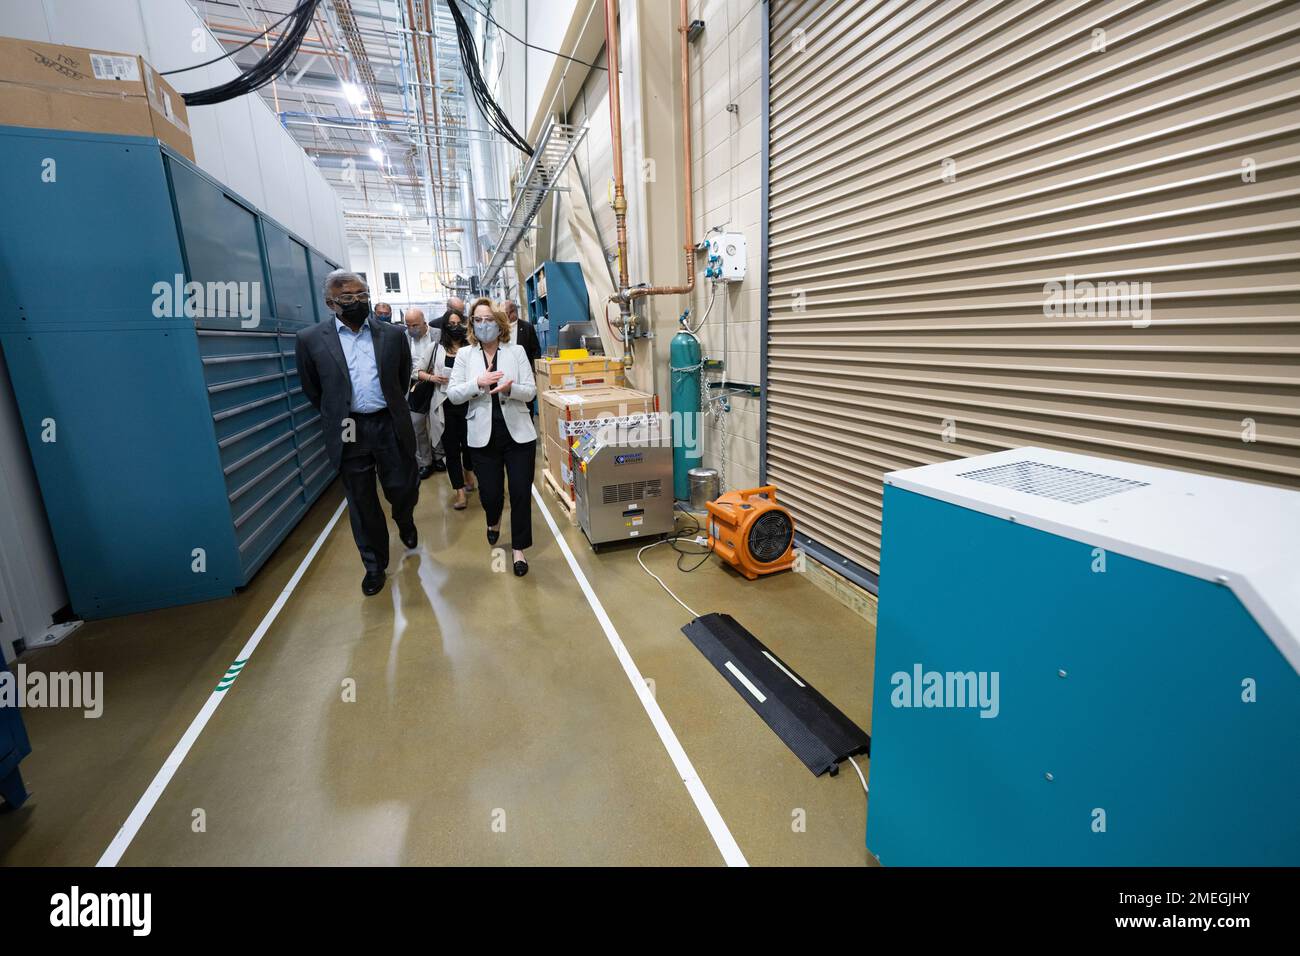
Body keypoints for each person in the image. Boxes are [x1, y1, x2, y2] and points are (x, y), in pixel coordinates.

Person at [295, 271, 419, 596]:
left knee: (401, 486)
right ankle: (375, 566)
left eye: (362, 294)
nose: (357, 301)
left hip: (387, 421)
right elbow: (313, 389)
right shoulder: (310, 340)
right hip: (348, 427)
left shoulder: (392, 335)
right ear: (331, 302)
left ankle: (404, 518)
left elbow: (402, 378)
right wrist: (339, 412)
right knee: (362, 501)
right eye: (348, 297)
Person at [447, 298, 537, 576]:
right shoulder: (465, 355)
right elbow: (453, 394)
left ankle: (519, 549)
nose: (484, 324)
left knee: (521, 493)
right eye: (478, 319)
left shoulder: (517, 351)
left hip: (518, 434)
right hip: (482, 436)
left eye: (489, 319)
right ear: (472, 323)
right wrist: (477, 383)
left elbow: (531, 391)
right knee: (491, 495)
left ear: (499, 323)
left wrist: (510, 389)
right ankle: (493, 519)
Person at [425, 312, 478, 509]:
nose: (455, 327)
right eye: (451, 324)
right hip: (445, 405)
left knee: (470, 446)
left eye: (458, 323)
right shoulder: (435, 348)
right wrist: (433, 378)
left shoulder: (471, 348)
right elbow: (417, 371)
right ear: (444, 326)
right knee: (451, 451)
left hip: (468, 403)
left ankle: (469, 472)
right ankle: (460, 492)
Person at [404, 307, 445, 480]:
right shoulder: (403, 337)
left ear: (424, 322)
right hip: (414, 387)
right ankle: (424, 462)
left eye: (415, 325)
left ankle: (439, 457)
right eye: (408, 325)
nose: (411, 328)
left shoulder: (439, 334)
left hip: (437, 384)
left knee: (438, 421)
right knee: (417, 425)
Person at [503, 300, 541, 367]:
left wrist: (533, 369)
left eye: (504, 313)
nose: (502, 316)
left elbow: (536, 351)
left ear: (513, 312)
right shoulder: (500, 328)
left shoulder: (527, 327)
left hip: (524, 368)